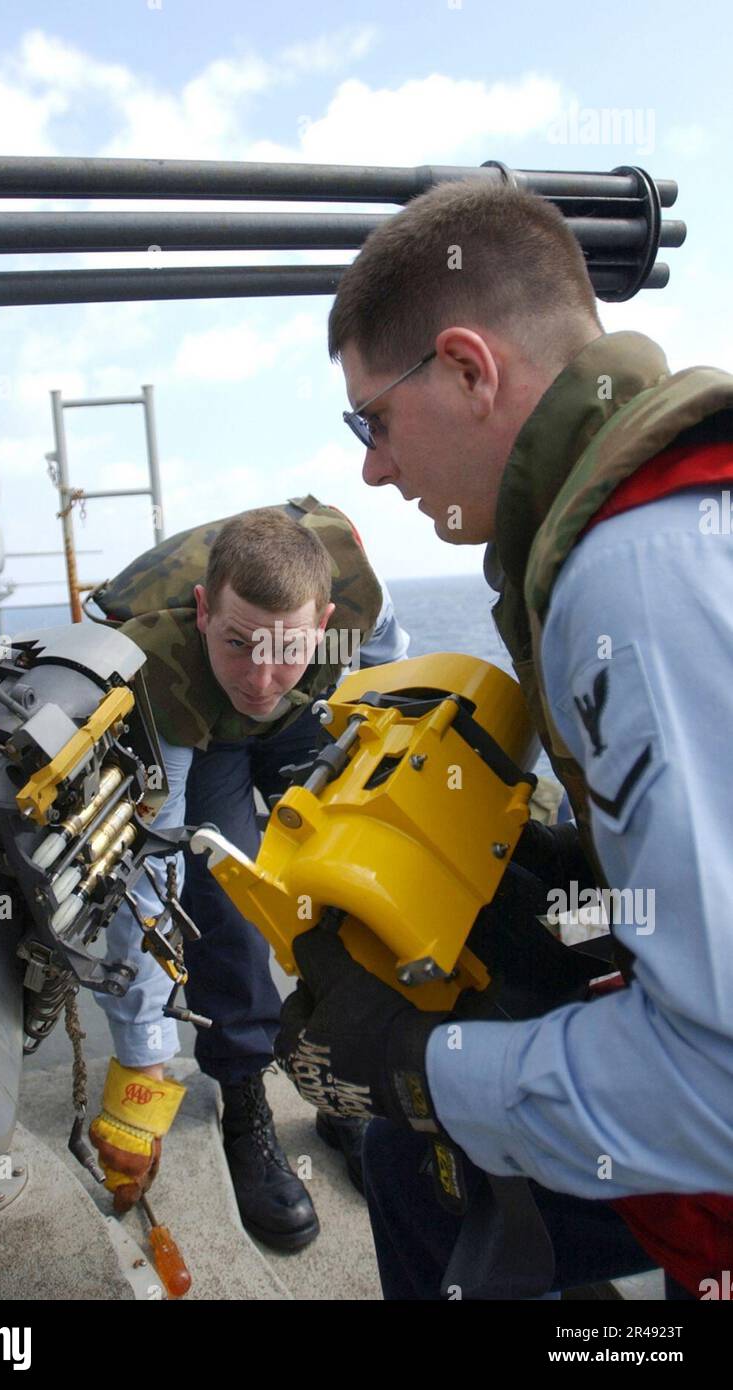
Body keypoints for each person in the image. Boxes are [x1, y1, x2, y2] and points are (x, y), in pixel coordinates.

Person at [274, 179, 733, 1299]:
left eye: (369, 421)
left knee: (412, 1157)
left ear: (469, 369)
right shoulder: (678, 511)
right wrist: (582, 891)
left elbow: (717, 1092)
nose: (372, 467)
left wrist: (420, 1065)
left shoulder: (630, 581)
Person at [87, 497, 410, 1251]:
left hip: (310, 713)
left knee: (351, 876)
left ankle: (345, 1088)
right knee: (220, 897)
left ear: (326, 623)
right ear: (202, 611)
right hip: (200, 723)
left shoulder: (358, 603)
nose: (262, 677)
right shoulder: (155, 660)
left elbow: (394, 672)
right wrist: (142, 1072)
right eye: (239, 642)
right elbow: (147, 881)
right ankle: (243, 1102)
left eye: (285, 647)